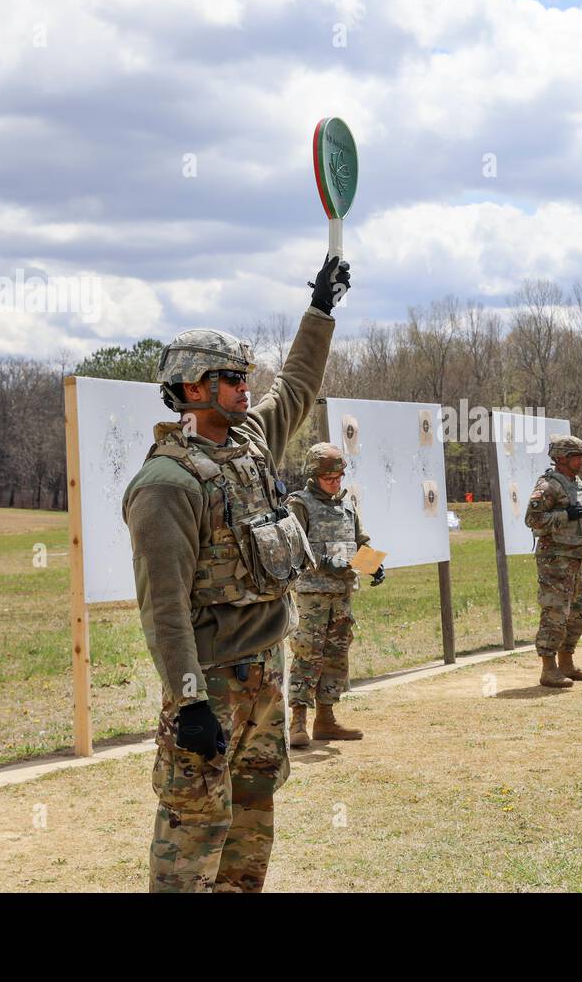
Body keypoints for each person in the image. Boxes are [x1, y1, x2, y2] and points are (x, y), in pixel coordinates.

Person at [122, 253, 348, 892]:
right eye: (230, 377)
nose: (246, 386)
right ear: (194, 389)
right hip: (212, 683)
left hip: (266, 671)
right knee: (195, 822)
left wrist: (320, 311)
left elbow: (299, 386)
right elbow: (163, 608)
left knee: (253, 815)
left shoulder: (248, 444)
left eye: (245, 374)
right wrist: (189, 698)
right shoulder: (166, 485)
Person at [285, 443, 382, 748]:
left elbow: (359, 540)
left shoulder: (347, 504)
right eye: (329, 478)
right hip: (312, 594)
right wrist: (324, 561)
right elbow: (293, 546)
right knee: (307, 653)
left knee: (336, 654)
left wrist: (374, 566)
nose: (335, 482)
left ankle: (325, 719)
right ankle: (297, 721)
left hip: (341, 593)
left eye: (338, 477)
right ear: (313, 475)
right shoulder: (298, 504)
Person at [525, 435, 582, 687]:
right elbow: (533, 520)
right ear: (561, 459)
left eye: (581, 456)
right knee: (555, 612)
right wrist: (564, 515)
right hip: (555, 559)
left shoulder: (575, 483)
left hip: (576, 557)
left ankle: (567, 663)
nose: (581, 461)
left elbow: (577, 514)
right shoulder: (549, 485)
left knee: (576, 614)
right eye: (576, 457)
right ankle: (549, 669)